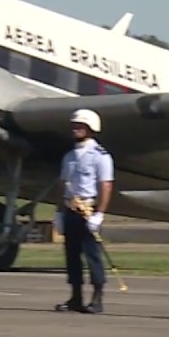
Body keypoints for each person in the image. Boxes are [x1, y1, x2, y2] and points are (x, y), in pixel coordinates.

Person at [54, 109, 113, 313]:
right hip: (70, 210)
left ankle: (97, 298)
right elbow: (62, 186)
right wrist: (59, 212)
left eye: (80, 125)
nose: (75, 128)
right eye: (74, 125)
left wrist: (100, 214)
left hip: (88, 211)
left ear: (91, 129)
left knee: (92, 255)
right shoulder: (69, 156)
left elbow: (105, 186)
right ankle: (75, 297)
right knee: (72, 256)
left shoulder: (100, 156)